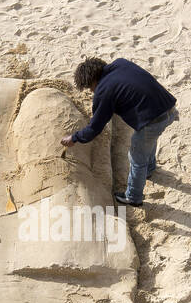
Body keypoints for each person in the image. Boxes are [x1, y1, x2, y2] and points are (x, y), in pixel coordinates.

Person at [60, 57, 179, 206]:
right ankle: (150, 169)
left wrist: (75, 137)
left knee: (136, 158)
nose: (91, 91)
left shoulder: (104, 91)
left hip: (154, 119)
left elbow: (94, 128)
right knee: (149, 139)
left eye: (90, 88)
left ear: (93, 81)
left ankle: (133, 197)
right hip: (167, 105)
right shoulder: (120, 63)